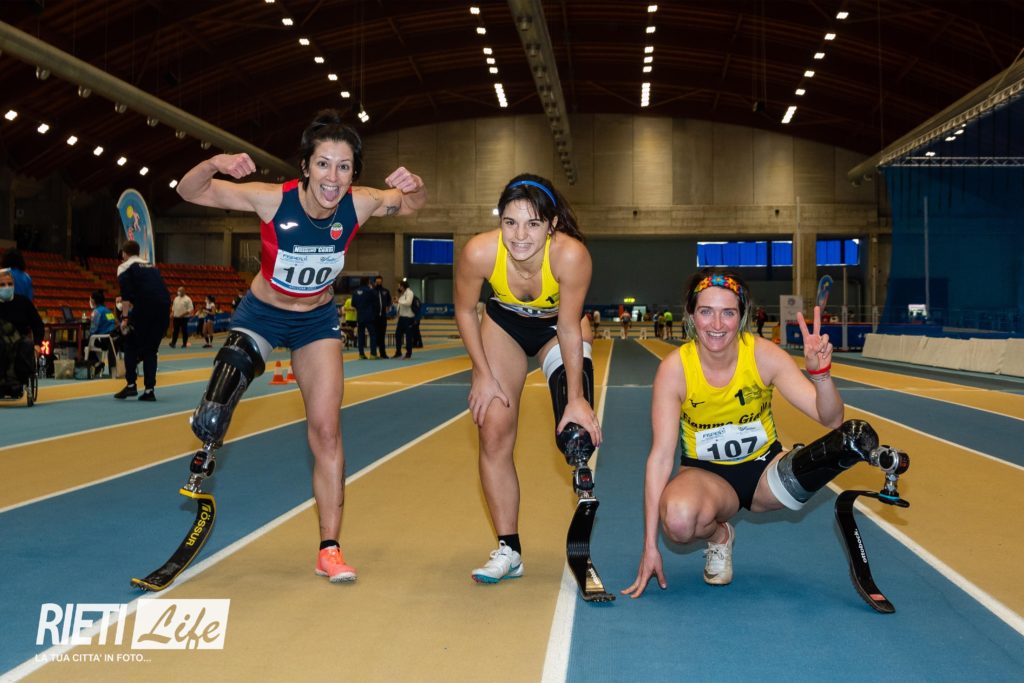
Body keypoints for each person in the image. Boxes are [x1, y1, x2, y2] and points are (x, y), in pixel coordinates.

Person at [175, 108, 426, 582]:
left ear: (354, 172)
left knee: (327, 432)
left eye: (345, 167)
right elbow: (189, 191)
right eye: (325, 164)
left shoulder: (362, 202)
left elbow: (413, 205)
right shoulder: (272, 200)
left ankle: (329, 548)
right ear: (306, 166)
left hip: (316, 322)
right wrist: (215, 163)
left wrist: (415, 184)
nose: (333, 178)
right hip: (263, 315)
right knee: (213, 413)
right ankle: (206, 447)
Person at [623, 269, 892, 599]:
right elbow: (661, 456)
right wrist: (650, 545)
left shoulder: (764, 355)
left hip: (764, 471)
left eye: (728, 313)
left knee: (846, 439)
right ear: (692, 316)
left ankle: (802, 464)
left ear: (743, 316)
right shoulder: (675, 369)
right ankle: (720, 537)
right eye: (706, 311)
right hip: (705, 476)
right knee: (678, 523)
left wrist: (821, 376)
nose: (717, 324)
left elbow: (831, 418)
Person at [454, 173, 602, 584]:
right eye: (510, 222)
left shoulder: (570, 257)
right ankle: (509, 549)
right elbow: (466, 311)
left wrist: (576, 397)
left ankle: (578, 457)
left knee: (575, 432)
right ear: (499, 220)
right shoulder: (480, 252)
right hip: (503, 327)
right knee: (493, 428)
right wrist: (483, 374)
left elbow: (569, 327)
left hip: (559, 329)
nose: (520, 236)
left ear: (551, 224)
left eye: (533, 224)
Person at [114, 240, 171, 401]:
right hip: (164, 307)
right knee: (150, 350)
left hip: (146, 308)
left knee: (130, 344)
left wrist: (125, 318)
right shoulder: (151, 266)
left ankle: (131, 385)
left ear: (124, 254)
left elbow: (126, 296)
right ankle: (149, 390)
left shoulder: (124, 267)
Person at [0, 267, 43, 397]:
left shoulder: (23, 302)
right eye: (2, 284)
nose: (6, 287)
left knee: (26, 345)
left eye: (9, 284)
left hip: (20, 340)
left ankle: (17, 382)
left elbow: (37, 324)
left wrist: (37, 344)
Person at [86, 289, 118, 373]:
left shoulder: (96, 312)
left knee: (85, 342)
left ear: (93, 300)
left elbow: (93, 330)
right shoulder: (108, 311)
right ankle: (97, 363)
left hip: (104, 341)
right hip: (113, 338)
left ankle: (96, 363)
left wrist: (91, 321)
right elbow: (111, 323)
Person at [352, 276, 377, 359]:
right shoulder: (369, 291)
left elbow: (353, 304)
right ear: (368, 282)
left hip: (360, 316)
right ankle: (373, 354)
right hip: (369, 316)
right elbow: (375, 300)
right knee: (372, 334)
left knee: (361, 335)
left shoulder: (355, 292)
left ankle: (361, 354)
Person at [393, 280, 415, 359]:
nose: (398, 288)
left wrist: (398, 301)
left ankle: (409, 353)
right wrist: (396, 303)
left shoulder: (410, 293)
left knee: (408, 336)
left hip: (408, 318)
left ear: (402, 286)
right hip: (402, 318)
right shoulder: (402, 295)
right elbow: (400, 305)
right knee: (398, 335)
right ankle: (398, 352)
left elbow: (408, 303)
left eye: (399, 286)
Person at [372, 275, 392, 359]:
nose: (379, 283)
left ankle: (383, 353)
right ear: (375, 282)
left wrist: (387, 307)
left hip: (383, 317)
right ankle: (374, 353)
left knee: (382, 335)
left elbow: (389, 301)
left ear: (382, 282)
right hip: (374, 317)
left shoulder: (385, 291)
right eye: (377, 282)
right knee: (375, 335)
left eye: (380, 282)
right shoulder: (372, 292)